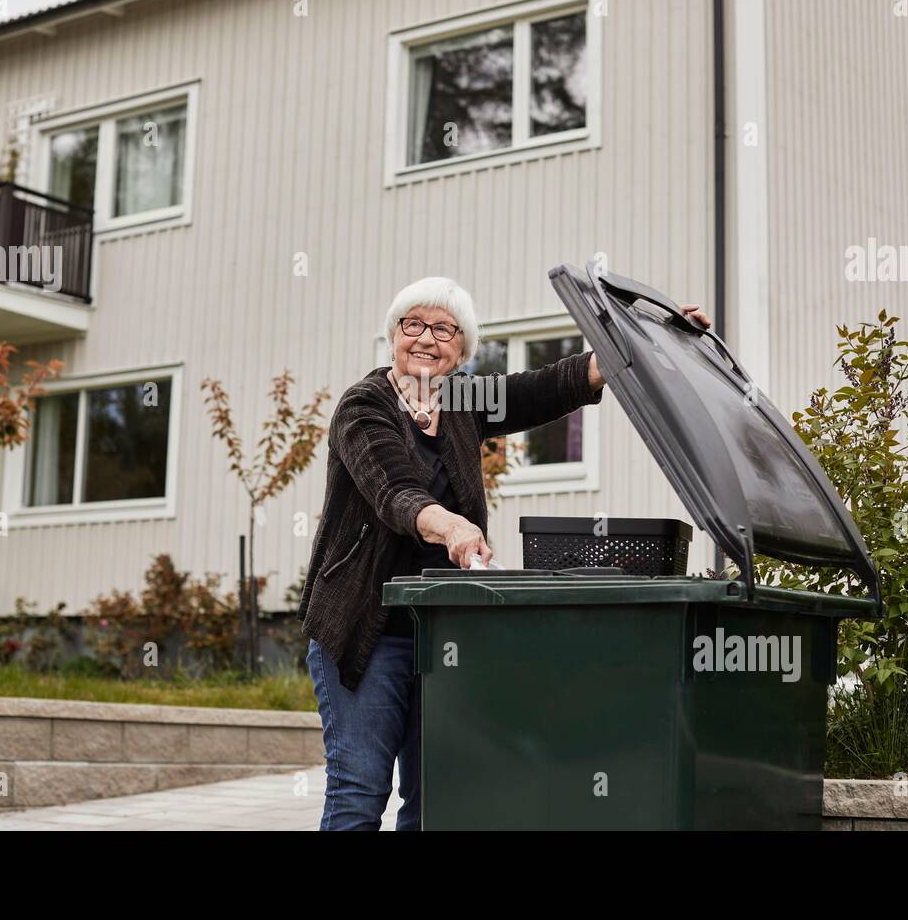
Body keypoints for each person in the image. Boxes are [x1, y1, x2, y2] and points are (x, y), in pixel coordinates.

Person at [296, 275, 711, 830]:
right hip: (364, 631)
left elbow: (548, 386)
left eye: (443, 329)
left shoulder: (463, 400)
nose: (425, 338)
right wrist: (453, 529)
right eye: (412, 324)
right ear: (392, 335)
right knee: (359, 792)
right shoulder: (363, 406)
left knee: (438, 797)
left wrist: (636, 341)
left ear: (462, 350)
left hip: (444, 637)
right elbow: (395, 491)